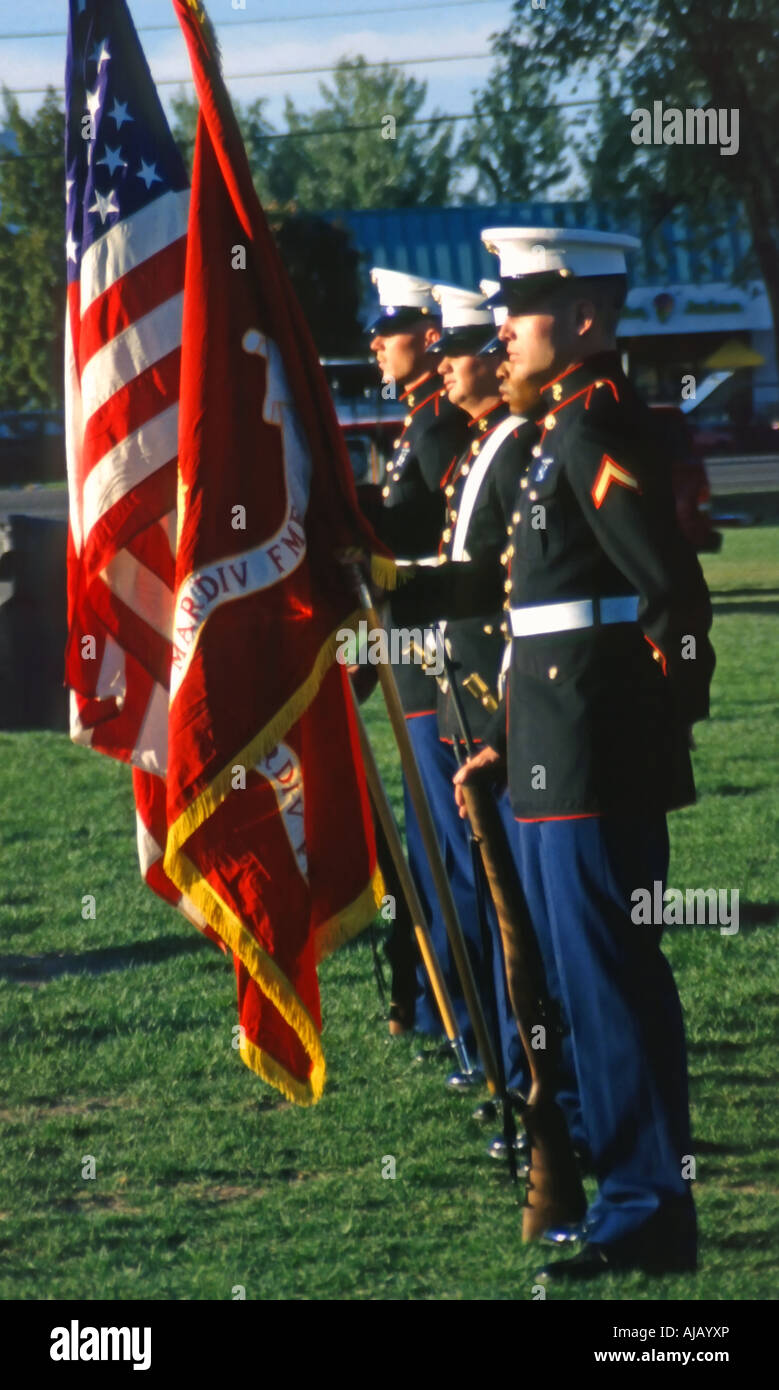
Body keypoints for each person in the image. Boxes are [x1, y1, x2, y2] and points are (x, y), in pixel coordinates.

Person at [444, 226, 716, 1281]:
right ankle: (621, 1197)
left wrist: (652, 736)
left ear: (586, 321)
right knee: (576, 980)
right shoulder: (553, 434)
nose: (502, 325)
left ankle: (646, 1205)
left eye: (523, 305)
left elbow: (671, 603)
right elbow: (544, 620)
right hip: (551, 758)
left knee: (610, 983)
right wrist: (508, 747)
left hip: (596, 760)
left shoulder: (594, 428)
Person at [357, 269, 472, 1061]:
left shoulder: (435, 432)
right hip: (407, 658)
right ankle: (436, 1004)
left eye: (387, 329)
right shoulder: (416, 428)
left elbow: (437, 550)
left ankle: (465, 1016)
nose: (374, 342)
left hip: (432, 663)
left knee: (444, 858)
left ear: (427, 339)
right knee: (424, 856)